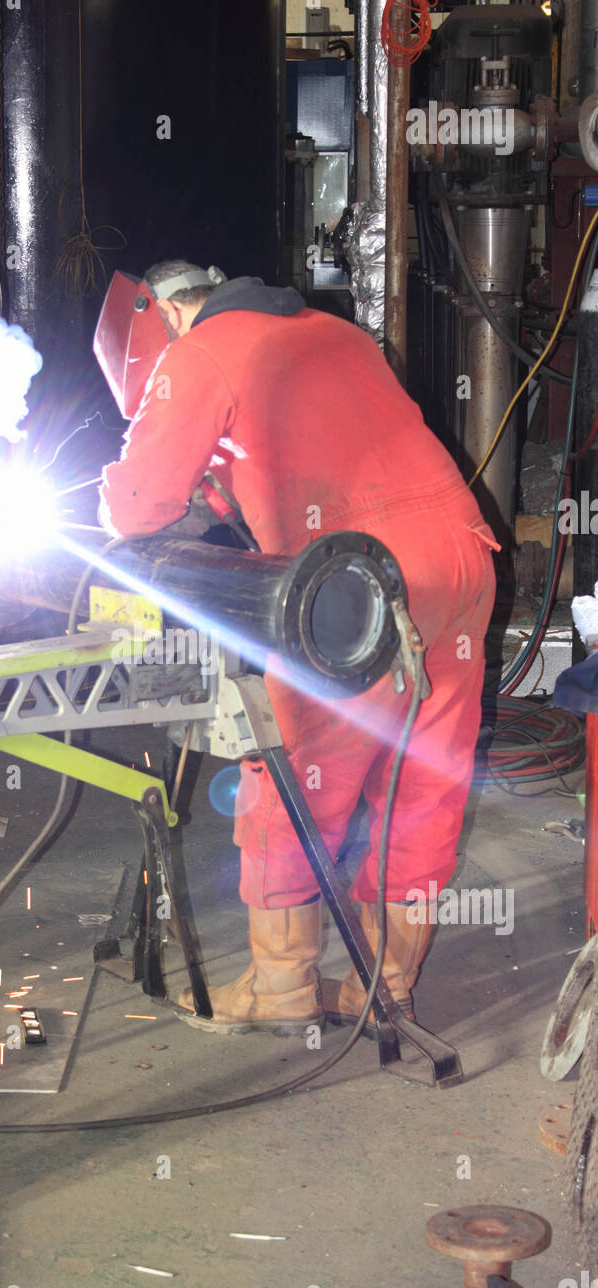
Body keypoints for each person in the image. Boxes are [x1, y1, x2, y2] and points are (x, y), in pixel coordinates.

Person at [96, 260, 499, 1036]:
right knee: (423, 782)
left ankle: (282, 987)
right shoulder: (335, 333)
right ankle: (386, 988)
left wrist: (118, 504)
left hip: (351, 587)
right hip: (460, 561)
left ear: (166, 316)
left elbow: (138, 506)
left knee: (295, 775)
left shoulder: (199, 351)